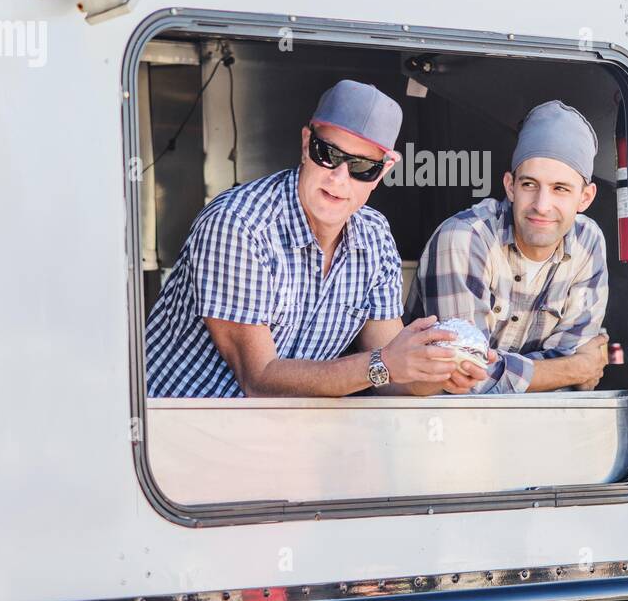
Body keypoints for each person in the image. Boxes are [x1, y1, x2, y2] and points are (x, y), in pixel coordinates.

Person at [146, 79, 487, 397]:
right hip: (174, 435)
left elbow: (390, 379)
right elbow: (259, 379)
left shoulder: (376, 235)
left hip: (283, 439)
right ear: (307, 143)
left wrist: (437, 375)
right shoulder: (239, 224)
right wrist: (384, 364)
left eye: (361, 167)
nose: (339, 178)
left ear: (384, 171)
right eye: (328, 155)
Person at [405, 100, 610, 394]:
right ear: (510, 185)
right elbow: (464, 378)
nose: (541, 205)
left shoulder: (588, 242)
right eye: (529, 185)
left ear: (585, 198)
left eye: (560, 189)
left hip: (539, 425)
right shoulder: (464, 238)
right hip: (439, 426)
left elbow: (571, 385)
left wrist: (554, 372)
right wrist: (572, 370)